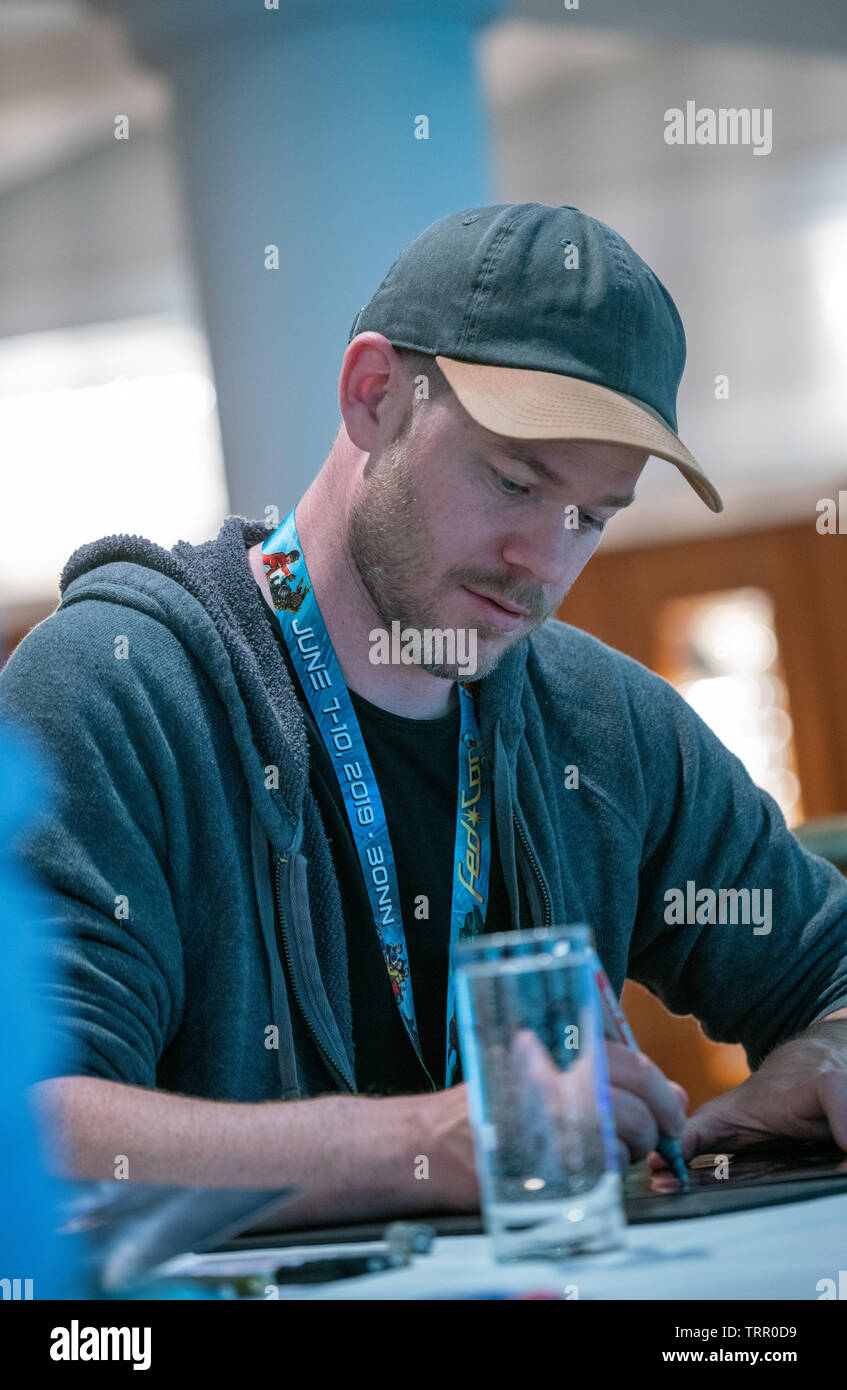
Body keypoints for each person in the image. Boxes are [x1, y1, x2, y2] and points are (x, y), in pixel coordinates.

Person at [3, 203, 846, 1230]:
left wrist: (824, 1055)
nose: (544, 561)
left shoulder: (604, 724)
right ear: (372, 396)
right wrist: (418, 1146)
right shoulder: (118, 687)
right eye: (512, 479)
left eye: (590, 515)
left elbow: (824, 963)